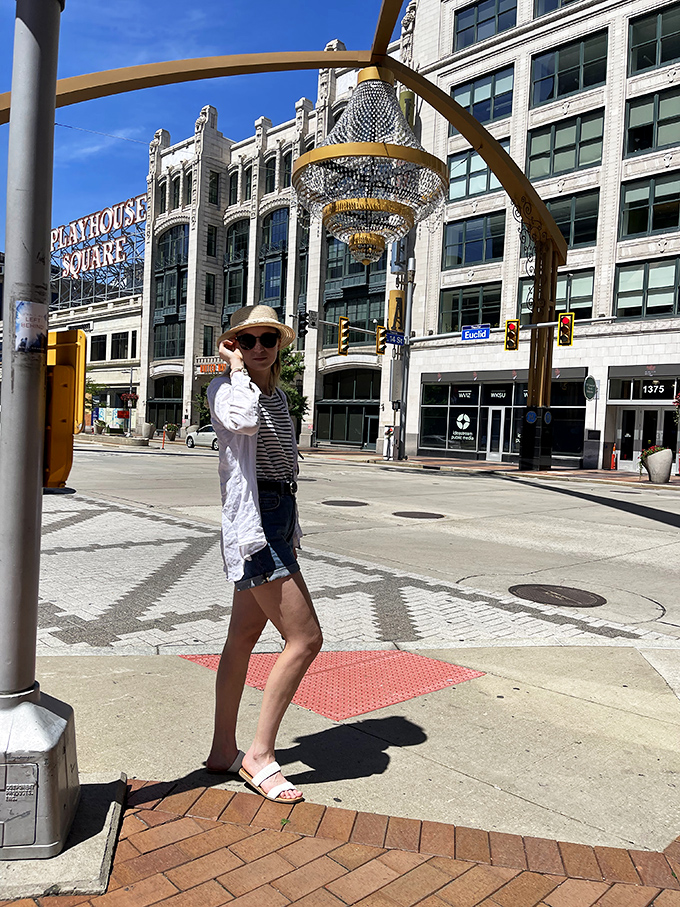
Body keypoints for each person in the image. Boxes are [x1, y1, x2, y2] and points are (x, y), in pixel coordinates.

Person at [205, 305, 322, 803]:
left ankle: (221, 750)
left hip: (278, 513)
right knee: (306, 638)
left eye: (266, 340)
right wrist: (232, 370)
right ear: (233, 344)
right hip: (256, 523)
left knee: (242, 639)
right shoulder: (227, 389)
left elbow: (284, 464)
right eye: (246, 340)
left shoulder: (280, 394)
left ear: (279, 345)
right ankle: (259, 755)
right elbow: (244, 425)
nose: (257, 348)